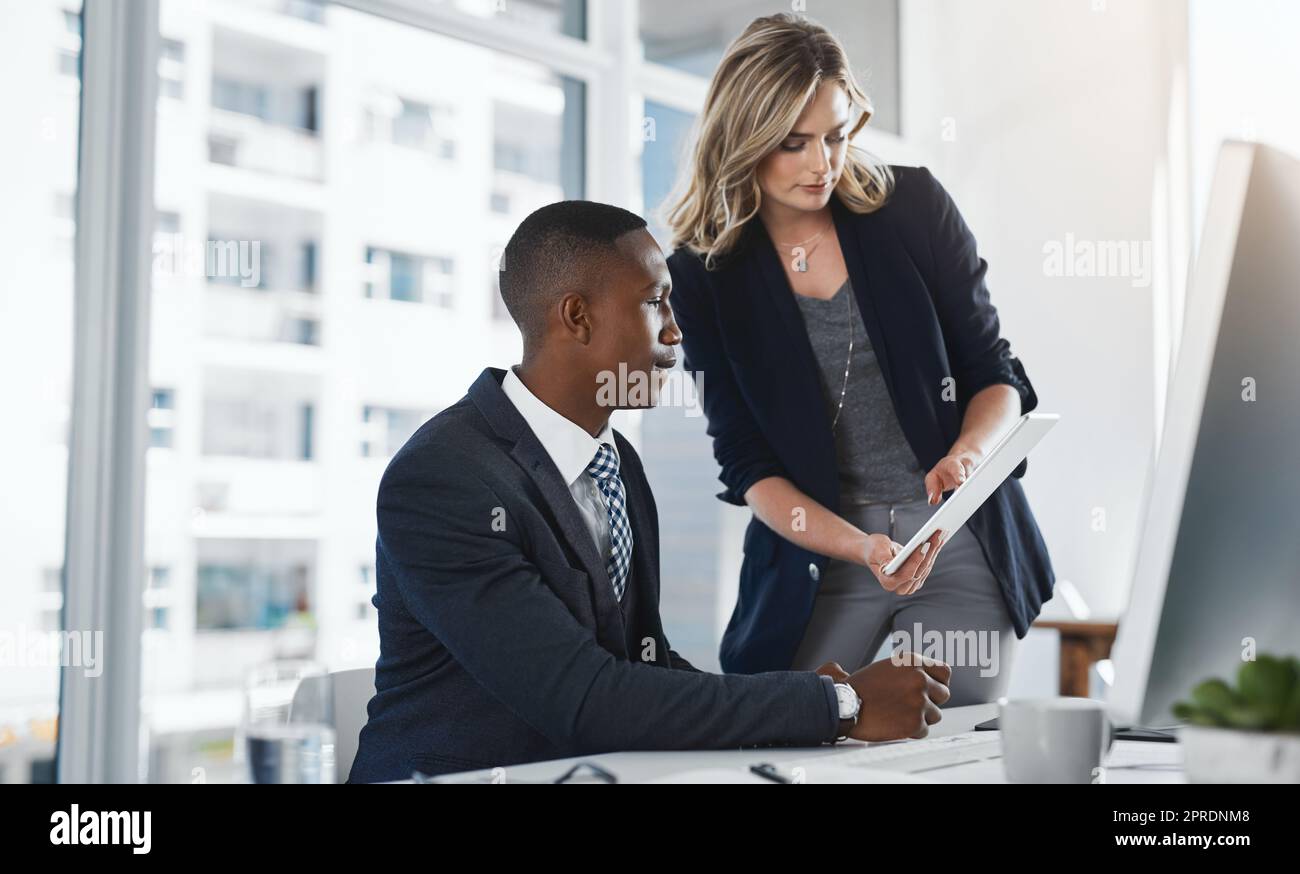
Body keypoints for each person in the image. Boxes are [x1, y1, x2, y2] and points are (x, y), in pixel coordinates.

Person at [348, 200, 950, 782]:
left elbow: (643, 667)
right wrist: (835, 704)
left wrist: (807, 701)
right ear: (577, 317)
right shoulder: (443, 478)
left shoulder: (617, 462)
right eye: (655, 302)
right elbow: (586, 699)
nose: (675, 330)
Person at [664, 13, 1055, 703]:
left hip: (954, 541)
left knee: (946, 756)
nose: (823, 163)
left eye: (837, 136)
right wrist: (861, 546)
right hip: (818, 559)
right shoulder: (702, 275)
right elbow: (748, 464)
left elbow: (996, 375)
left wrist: (967, 455)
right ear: (743, 139)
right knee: (795, 747)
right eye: (794, 143)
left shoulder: (913, 209)